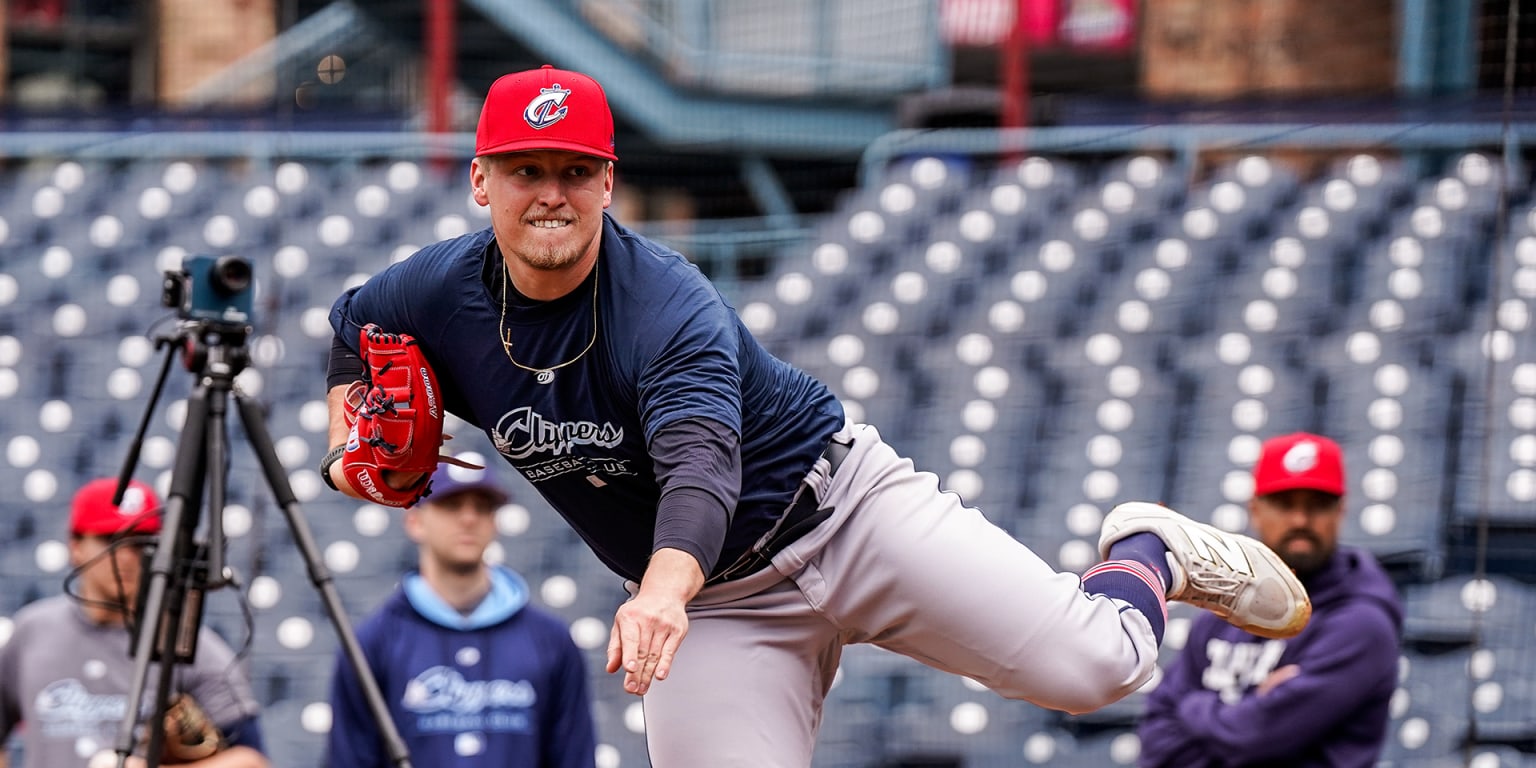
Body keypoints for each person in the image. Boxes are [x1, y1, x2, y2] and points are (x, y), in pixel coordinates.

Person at [319, 64, 1312, 765]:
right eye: (528, 169)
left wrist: (660, 593)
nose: (552, 194)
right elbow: (348, 326)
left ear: (608, 183)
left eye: (575, 171)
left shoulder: (667, 305)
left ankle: (1149, 550)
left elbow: (703, 466)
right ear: (480, 178)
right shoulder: (432, 290)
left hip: (844, 517)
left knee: (1099, 666)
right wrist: (339, 447)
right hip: (723, 613)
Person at [1137, 432, 1404, 767]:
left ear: (1341, 511)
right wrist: (1249, 709)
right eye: (1284, 503)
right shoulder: (1217, 613)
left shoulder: (1362, 625)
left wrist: (1192, 707)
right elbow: (1156, 743)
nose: (1300, 521)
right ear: (1256, 510)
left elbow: (1253, 737)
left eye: (1317, 505)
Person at [324, 461, 597, 767]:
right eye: (450, 505)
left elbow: (575, 758)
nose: (469, 519)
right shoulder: (373, 641)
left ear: (495, 523)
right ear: (414, 522)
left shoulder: (551, 640)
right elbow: (349, 759)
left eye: (482, 508)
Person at [0, 478, 267, 768]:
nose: (126, 557)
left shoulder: (186, 641)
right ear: (75, 546)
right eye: (110, 540)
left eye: (141, 543)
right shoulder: (33, 631)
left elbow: (253, 760)